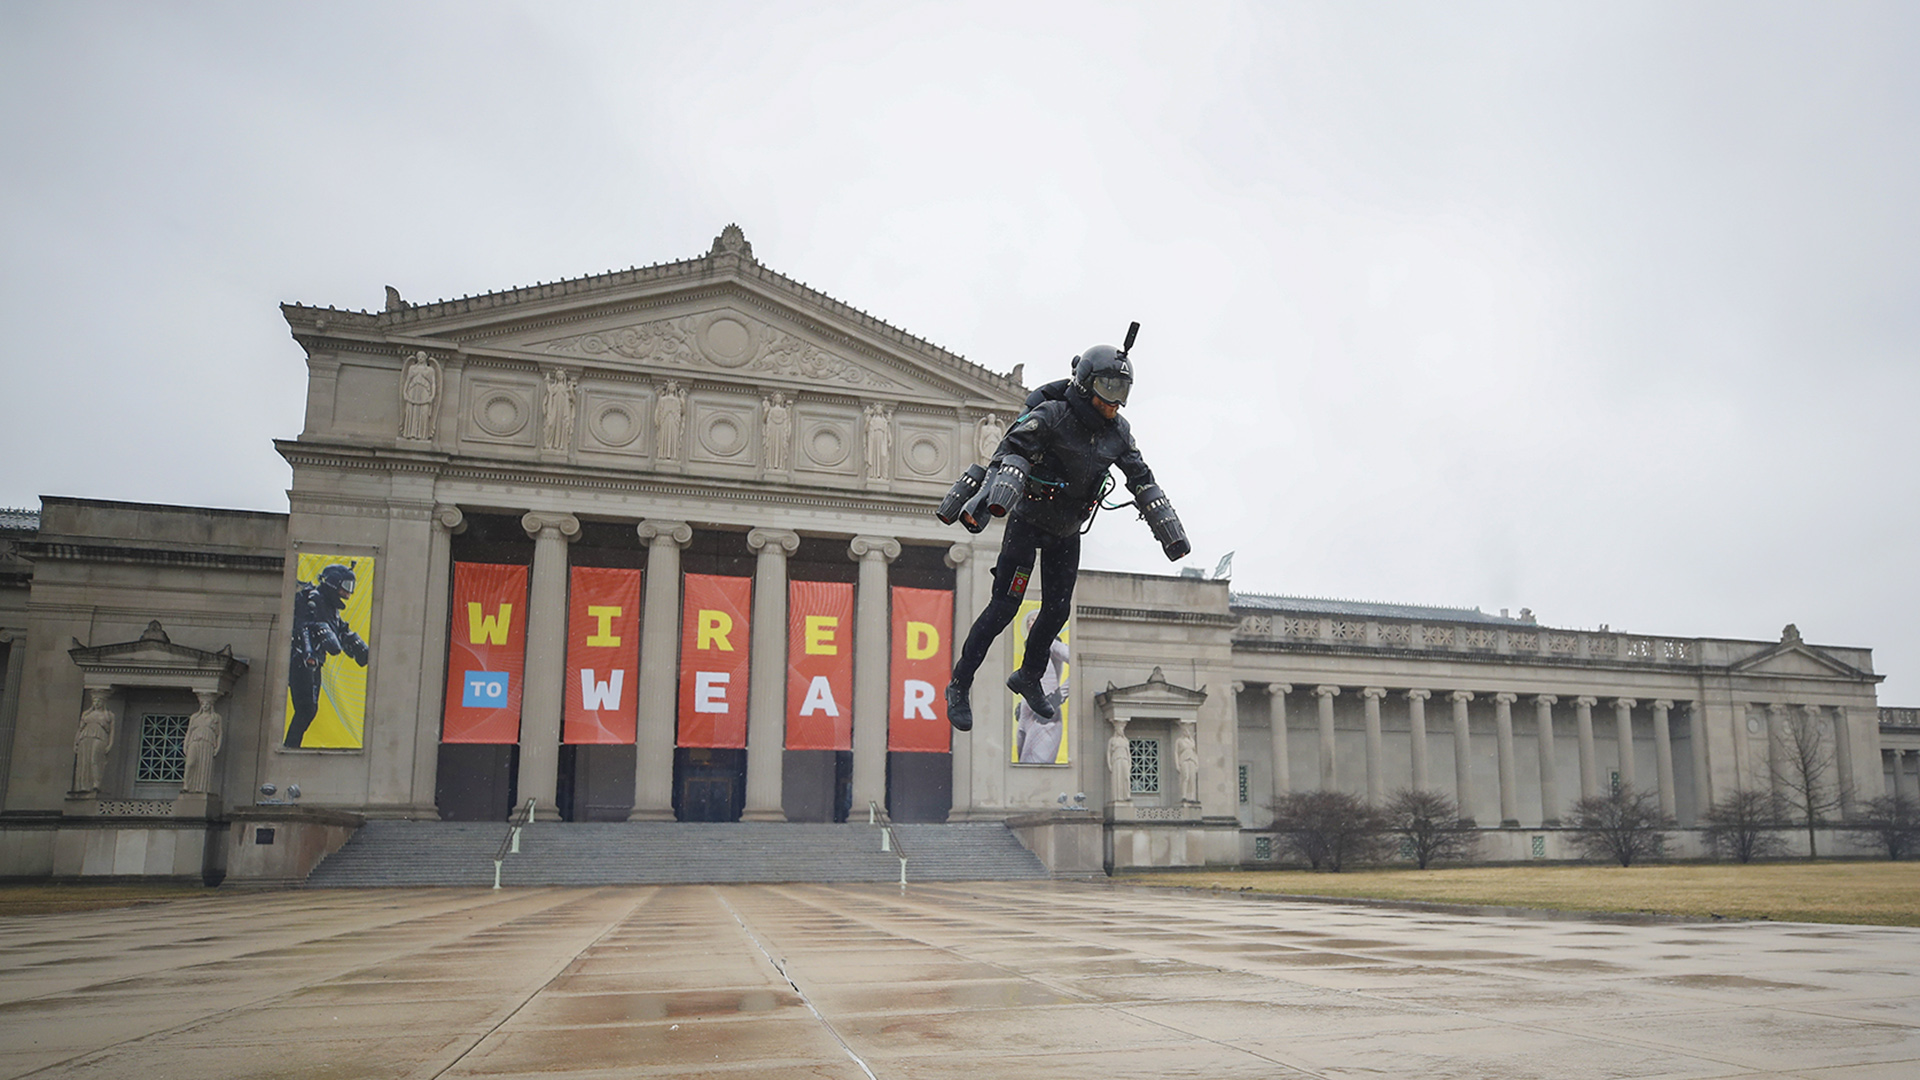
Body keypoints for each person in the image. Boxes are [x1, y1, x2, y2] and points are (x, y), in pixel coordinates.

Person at [938, 330, 1189, 731]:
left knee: (1058, 610)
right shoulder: (1052, 415)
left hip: (1067, 531)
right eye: (1108, 388)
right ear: (1087, 384)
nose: (1115, 401)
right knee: (1004, 608)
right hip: (1027, 523)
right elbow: (1008, 451)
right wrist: (993, 490)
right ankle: (959, 684)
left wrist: (1166, 526)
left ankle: (1029, 675)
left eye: (1122, 390)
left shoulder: (1118, 432)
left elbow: (1141, 478)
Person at [285, 561, 369, 748]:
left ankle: (291, 746)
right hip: (301, 659)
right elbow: (301, 626)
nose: (348, 593)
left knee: (309, 709)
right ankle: (290, 746)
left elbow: (342, 630)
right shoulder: (310, 599)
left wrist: (361, 649)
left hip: (313, 662)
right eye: (346, 586)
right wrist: (309, 650)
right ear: (334, 583)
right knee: (306, 708)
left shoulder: (331, 609)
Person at [1014, 610, 1071, 763]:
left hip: (1044, 717)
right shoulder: (1029, 650)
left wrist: (1058, 696)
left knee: (1033, 766)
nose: (1031, 623)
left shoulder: (1050, 643)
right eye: (1029, 621)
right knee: (1021, 767)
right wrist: (1023, 702)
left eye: (1034, 619)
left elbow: (1075, 660)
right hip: (1026, 717)